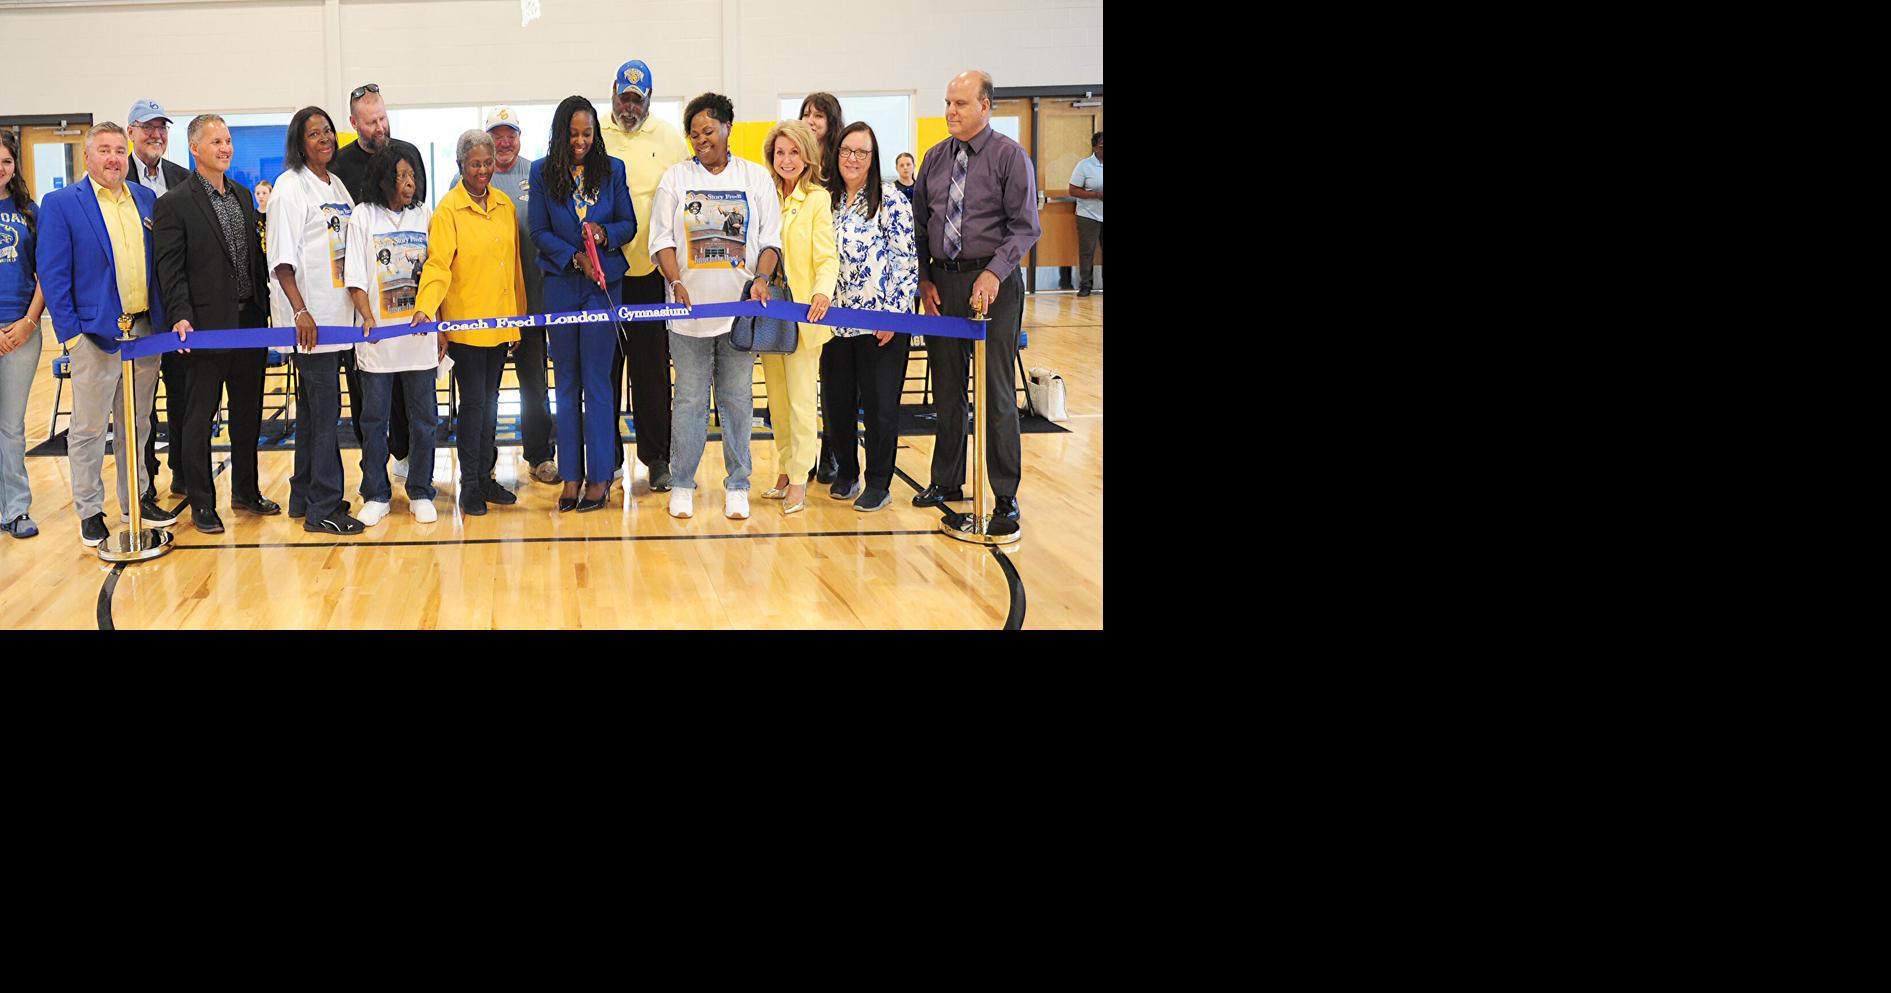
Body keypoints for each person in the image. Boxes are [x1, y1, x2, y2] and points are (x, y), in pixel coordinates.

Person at [38, 121, 179, 546]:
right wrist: (72, 336)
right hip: (94, 335)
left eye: (119, 150)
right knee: (89, 429)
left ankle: (135, 497)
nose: (114, 158)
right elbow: (52, 272)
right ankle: (90, 510)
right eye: (104, 150)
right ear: (87, 157)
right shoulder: (62, 204)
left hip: (143, 331)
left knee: (137, 424)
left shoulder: (145, 198)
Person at [910, 70, 1039, 522]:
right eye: (948, 102)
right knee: (946, 387)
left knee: (996, 390)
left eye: (961, 104)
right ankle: (947, 478)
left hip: (994, 285)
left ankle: (1004, 491)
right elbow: (921, 226)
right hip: (943, 285)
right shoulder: (934, 158)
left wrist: (994, 273)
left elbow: (1025, 227)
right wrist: (926, 279)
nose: (950, 111)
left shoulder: (1009, 156)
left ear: (986, 106)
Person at [648, 92, 782, 522]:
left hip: (738, 314)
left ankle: (738, 483)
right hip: (687, 316)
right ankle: (683, 482)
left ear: (727, 128)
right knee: (688, 400)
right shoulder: (675, 178)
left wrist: (761, 279)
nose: (700, 140)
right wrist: (674, 281)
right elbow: (662, 241)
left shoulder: (755, 178)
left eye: (708, 131)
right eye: (694, 134)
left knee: (737, 399)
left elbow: (770, 243)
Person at [153, 114, 280, 536]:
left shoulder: (244, 196)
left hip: (248, 323)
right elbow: (169, 270)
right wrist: (180, 314)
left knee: (248, 414)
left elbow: (253, 261)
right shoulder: (174, 203)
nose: (225, 148)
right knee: (198, 420)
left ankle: (245, 490)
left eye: (227, 141)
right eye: (216, 142)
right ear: (194, 149)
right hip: (204, 328)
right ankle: (203, 504)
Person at [531, 96, 636, 513]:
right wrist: (573, 257)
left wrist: (603, 235)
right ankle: (570, 475)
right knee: (567, 384)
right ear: (560, 134)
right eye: (573, 134)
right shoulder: (542, 172)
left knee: (597, 382)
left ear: (596, 134)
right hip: (561, 285)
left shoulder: (613, 170)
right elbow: (539, 230)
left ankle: (599, 478)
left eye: (587, 134)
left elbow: (628, 222)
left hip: (603, 285)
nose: (580, 142)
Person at [412, 129, 525, 517]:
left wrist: (517, 321)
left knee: (492, 405)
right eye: (476, 163)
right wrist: (428, 310)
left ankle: (486, 475)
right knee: (474, 406)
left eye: (488, 163)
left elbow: (513, 269)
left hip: (500, 325)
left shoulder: (506, 205)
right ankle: (470, 485)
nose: (483, 170)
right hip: (466, 328)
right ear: (461, 165)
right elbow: (438, 266)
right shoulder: (448, 210)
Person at [267, 105, 362, 535]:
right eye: (314, 134)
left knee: (312, 411)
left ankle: (303, 493)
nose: (325, 138)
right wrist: (301, 311)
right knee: (326, 412)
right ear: (298, 142)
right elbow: (281, 261)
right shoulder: (290, 187)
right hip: (311, 322)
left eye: (328, 131)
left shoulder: (337, 185)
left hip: (338, 318)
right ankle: (324, 506)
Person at [451, 106, 556, 485]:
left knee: (534, 385)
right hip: (484, 310)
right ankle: (484, 462)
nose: (504, 141)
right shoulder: (460, 186)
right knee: (485, 395)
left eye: (510, 134)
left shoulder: (538, 174)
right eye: (497, 135)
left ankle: (540, 455)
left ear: (519, 138)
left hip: (530, 302)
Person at [601, 58, 692, 493]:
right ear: (613, 94)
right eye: (623, 97)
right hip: (601, 277)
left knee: (652, 374)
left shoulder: (670, 139)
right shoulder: (594, 133)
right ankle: (608, 459)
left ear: (649, 100)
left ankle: (656, 459)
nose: (629, 107)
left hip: (650, 275)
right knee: (604, 372)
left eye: (637, 100)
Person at [331, 83, 429, 474]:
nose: (380, 127)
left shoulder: (409, 154)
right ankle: (376, 474)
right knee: (370, 402)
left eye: (384, 118)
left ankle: (408, 463)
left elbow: (420, 226)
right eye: (371, 122)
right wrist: (363, 310)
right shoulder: (340, 167)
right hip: (364, 303)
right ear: (354, 123)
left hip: (410, 314)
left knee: (415, 404)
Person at [344, 143, 441, 525]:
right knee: (374, 420)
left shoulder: (424, 215)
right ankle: (376, 492)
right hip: (378, 341)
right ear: (383, 178)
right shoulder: (362, 216)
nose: (409, 183)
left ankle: (420, 489)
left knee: (424, 418)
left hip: (418, 338)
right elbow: (354, 277)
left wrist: (439, 323)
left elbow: (437, 272)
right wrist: (367, 317)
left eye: (413, 175)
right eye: (401, 175)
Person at [823, 123, 917, 513]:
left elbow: (906, 262)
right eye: (847, 151)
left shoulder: (892, 201)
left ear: (873, 158)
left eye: (862, 152)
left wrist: (893, 316)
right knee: (836, 403)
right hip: (832, 323)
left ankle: (879, 481)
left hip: (880, 324)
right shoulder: (825, 201)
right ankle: (847, 471)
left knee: (880, 407)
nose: (853, 159)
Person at [757, 119, 836, 516]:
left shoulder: (817, 199)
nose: (786, 160)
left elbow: (826, 256)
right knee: (777, 401)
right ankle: (786, 467)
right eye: (779, 152)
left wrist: (823, 291)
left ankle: (801, 476)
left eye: (793, 152)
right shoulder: (765, 194)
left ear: (807, 156)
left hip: (804, 314)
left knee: (803, 401)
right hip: (770, 310)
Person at [128, 99, 192, 500]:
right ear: (131, 131)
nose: (156, 135)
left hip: (178, 307)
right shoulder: (117, 178)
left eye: (161, 128)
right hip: (138, 308)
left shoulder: (182, 177)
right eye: (147, 127)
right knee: (142, 403)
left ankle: (184, 474)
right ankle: (145, 480)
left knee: (183, 395)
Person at [0, 130, 47, 539]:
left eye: (6, 161)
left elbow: (44, 275)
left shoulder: (30, 212)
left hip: (21, 332)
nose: (0, 169)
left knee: (12, 426)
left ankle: (16, 509)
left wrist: (29, 322)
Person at [799, 92, 846, 487]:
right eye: (806, 114)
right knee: (805, 381)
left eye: (819, 115)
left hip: (839, 281)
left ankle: (832, 449)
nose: (812, 121)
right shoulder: (797, 165)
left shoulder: (839, 163)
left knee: (834, 375)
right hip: (806, 281)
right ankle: (808, 452)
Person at [1068, 131, 1103, 296]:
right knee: (1087, 251)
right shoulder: (1084, 165)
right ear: (1095, 148)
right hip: (1088, 215)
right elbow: (1073, 190)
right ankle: (1085, 285)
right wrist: (1096, 195)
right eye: (1102, 147)